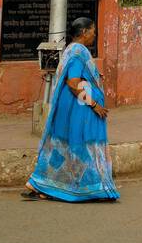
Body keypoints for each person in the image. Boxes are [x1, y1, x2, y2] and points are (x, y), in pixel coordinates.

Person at [23, 17, 119, 202]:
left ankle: (42, 185)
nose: (94, 35)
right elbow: (73, 83)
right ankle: (90, 188)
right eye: (93, 31)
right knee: (83, 147)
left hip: (71, 108)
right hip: (80, 110)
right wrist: (94, 105)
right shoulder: (78, 52)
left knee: (62, 149)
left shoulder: (70, 50)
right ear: (84, 33)